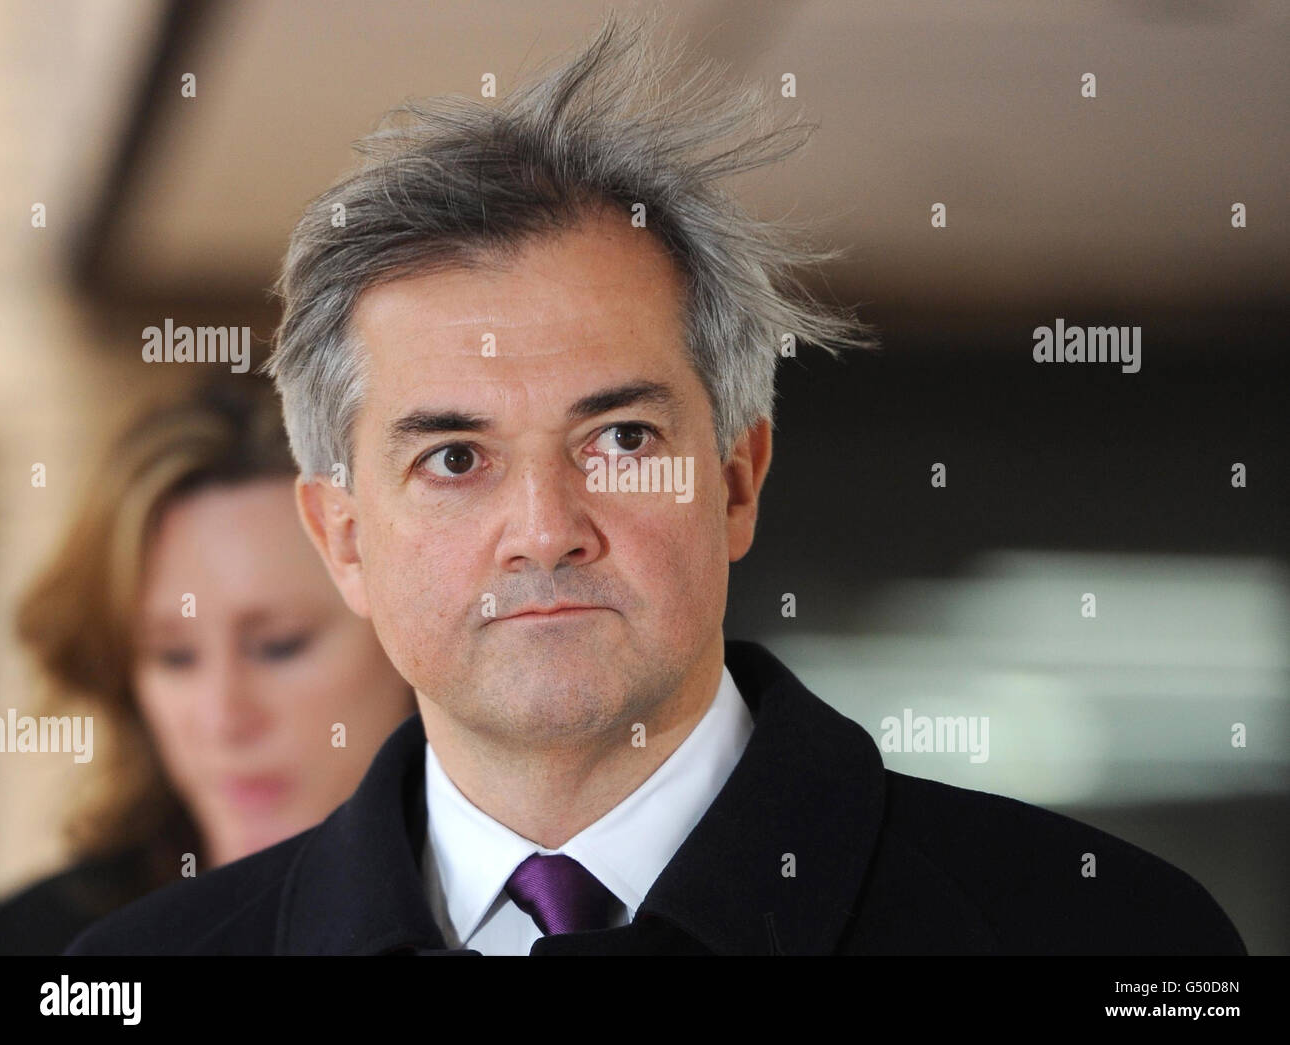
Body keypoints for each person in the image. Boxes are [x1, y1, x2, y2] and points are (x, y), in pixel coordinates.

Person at [67, 12, 1244, 956]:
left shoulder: (1101, 933)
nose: (544, 530)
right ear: (343, 540)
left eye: (620, 438)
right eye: (455, 458)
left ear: (736, 479)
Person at [0, 377, 415, 954]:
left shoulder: (520, 908)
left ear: (406, 632)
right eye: (174, 656)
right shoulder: (32, 944)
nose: (223, 719)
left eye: (279, 645)